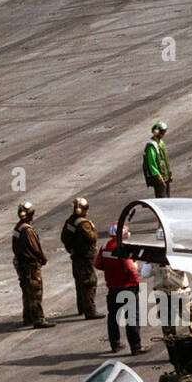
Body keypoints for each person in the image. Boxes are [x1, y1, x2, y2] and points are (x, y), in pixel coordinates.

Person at [95, 223, 145, 355]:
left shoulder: (105, 246)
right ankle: (136, 347)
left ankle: (115, 344)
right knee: (132, 317)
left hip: (112, 287)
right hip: (127, 287)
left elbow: (98, 264)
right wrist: (135, 277)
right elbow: (130, 268)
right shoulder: (124, 248)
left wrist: (111, 271)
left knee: (113, 317)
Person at [12, 202, 54, 329]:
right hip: (30, 265)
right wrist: (43, 258)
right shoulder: (27, 230)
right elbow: (35, 248)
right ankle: (39, 319)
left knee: (26, 291)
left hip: (21, 264)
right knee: (35, 291)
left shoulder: (18, 228)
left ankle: (28, 317)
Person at [60, 197, 100, 319]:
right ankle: (90, 311)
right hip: (86, 258)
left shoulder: (70, 222)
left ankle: (81, 308)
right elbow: (92, 238)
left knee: (79, 282)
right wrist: (93, 228)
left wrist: (70, 249)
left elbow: (64, 237)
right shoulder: (84, 224)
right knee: (89, 282)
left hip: (76, 256)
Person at [143, 121, 172, 197]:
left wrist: (169, 174)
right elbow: (152, 164)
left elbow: (165, 160)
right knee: (162, 199)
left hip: (165, 176)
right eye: (162, 132)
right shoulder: (152, 146)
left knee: (168, 198)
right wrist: (158, 177)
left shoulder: (161, 143)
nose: (163, 134)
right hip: (159, 178)